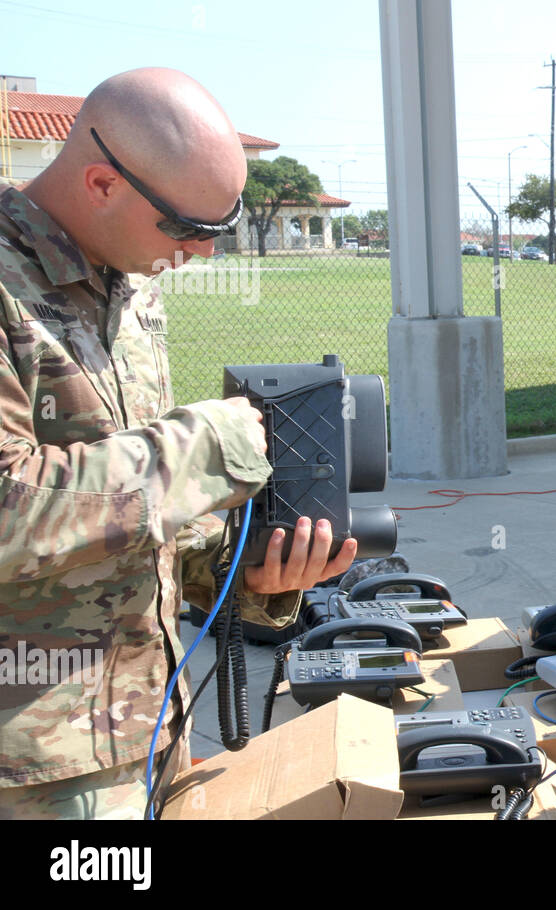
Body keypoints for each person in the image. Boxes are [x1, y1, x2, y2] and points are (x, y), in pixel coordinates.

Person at [0, 68, 357, 819]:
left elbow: (132, 516)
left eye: (218, 231)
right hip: (38, 771)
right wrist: (208, 444)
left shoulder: (129, 283)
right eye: (189, 230)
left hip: (150, 727)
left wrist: (242, 576)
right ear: (102, 182)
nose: (203, 254)